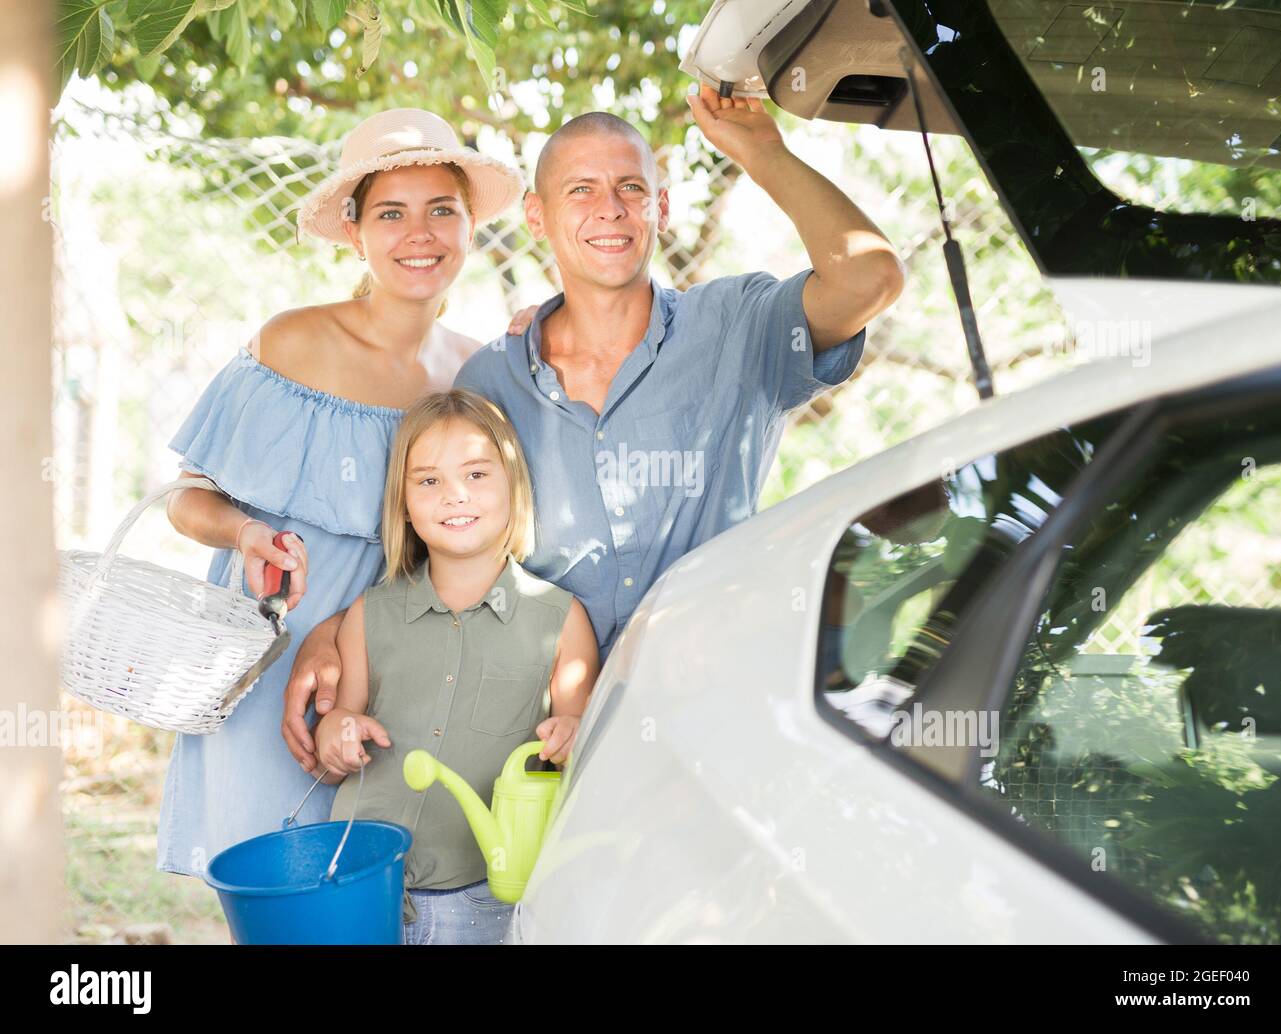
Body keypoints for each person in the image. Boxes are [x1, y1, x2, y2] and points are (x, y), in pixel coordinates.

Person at [282, 85, 904, 772]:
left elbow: (869, 275)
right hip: (544, 740)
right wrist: (339, 631)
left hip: (711, 718)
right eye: (580, 190)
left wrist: (762, 151)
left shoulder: (738, 327)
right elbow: (449, 552)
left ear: (661, 209)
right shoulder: (492, 381)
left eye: (631, 188)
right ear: (537, 217)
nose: (609, 208)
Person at [156, 109, 527, 905]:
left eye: (442, 211)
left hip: (402, 660)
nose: (418, 234)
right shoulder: (293, 342)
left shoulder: (478, 372)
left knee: (384, 898)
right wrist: (246, 530)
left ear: (470, 228)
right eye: (390, 212)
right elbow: (186, 502)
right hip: (271, 657)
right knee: (283, 892)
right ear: (354, 232)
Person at [312, 389, 598, 944]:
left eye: (476, 474)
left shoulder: (560, 619)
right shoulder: (371, 613)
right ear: (404, 503)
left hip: (481, 899)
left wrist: (569, 735)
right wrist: (336, 734)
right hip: (360, 887)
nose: (454, 496)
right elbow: (337, 729)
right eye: (428, 481)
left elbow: (578, 737)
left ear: (513, 485)